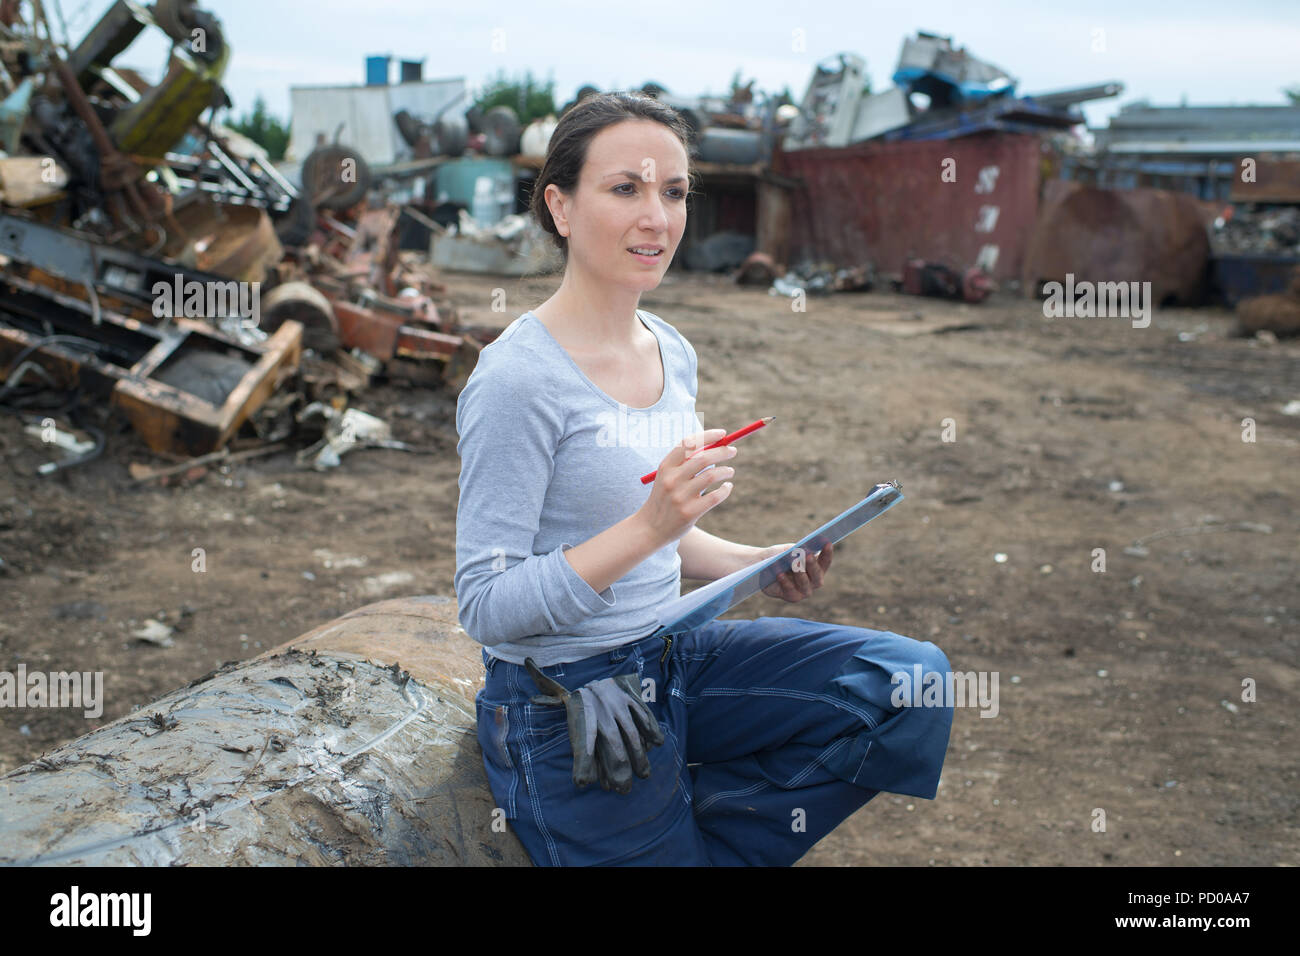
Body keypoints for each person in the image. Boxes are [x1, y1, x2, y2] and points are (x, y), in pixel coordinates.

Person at [454, 91, 953, 866]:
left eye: (675, 191)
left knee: (905, 683)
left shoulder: (671, 348)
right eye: (625, 189)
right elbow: (487, 606)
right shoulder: (516, 380)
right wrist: (651, 524)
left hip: (673, 655)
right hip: (572, 701)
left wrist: (765, 557)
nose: (658, 218)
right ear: (560, 205)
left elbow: (666, 541)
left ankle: (684, 837)